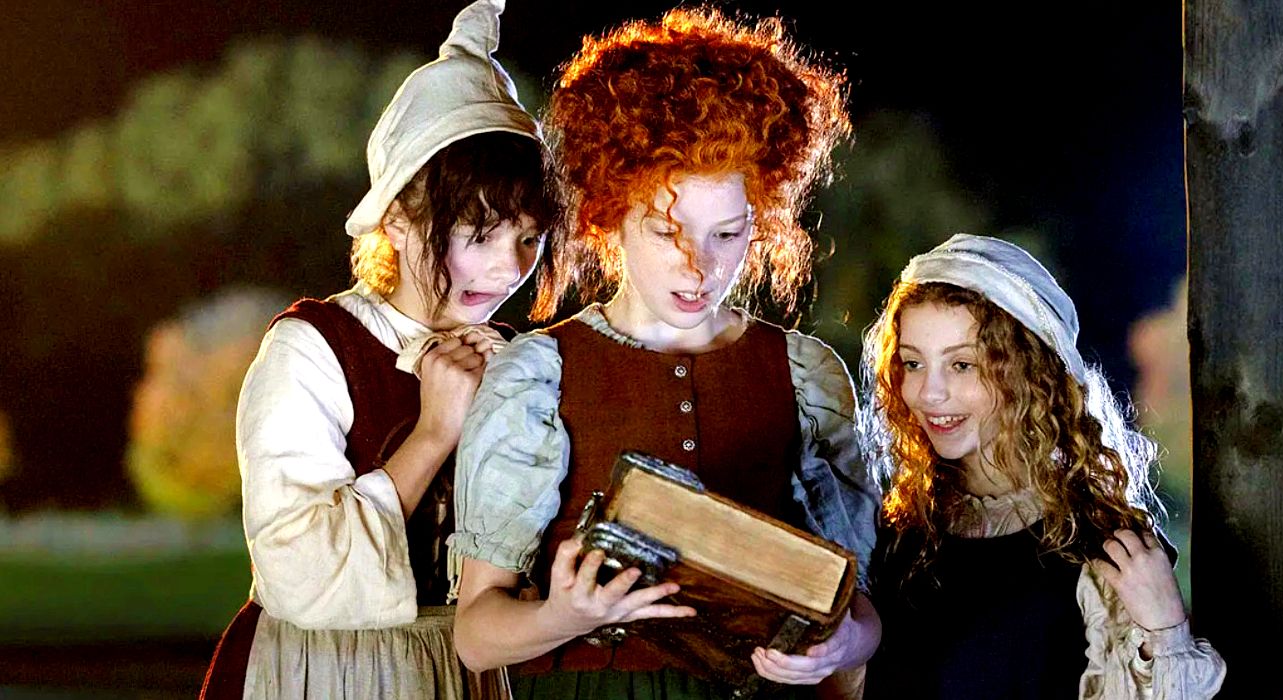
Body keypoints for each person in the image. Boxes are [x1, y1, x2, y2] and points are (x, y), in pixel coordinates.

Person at [447, 8, 880, 699]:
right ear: (610, 217)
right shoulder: (539, 375)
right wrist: (564, 616)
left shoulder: (805, 374)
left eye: (726, 235)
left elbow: (857, 607)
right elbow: (474, 635)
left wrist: (839, 646)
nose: (697, 266)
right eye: (663, 231)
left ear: (760, 223)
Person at [199, 1, 554, 697]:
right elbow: (300, 573)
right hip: (321, 671)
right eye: (479, 234)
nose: (509, 268)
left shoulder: (522, 363)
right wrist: (433, 433)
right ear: (397, 218)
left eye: (528, 238)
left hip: (466, 674)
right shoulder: (313, 350)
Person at [860, 234, 1226, 698]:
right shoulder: (896, 531)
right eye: (913, 363)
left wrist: (1165, 630)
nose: (929, 393)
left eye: (962, 365)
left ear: (1028, 372)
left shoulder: (1102, 548)